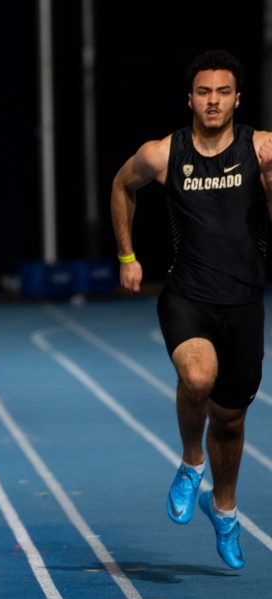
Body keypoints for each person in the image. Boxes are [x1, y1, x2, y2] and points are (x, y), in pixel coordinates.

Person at [110, 49, 272, 570]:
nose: (213, 101)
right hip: (187, 295)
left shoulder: (264, 149)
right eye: (204, 91)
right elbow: (120, 186)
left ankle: (223, 509)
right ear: (190, 98)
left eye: (223, 92)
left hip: (244, 301)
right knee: (198, 379)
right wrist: (127, 255)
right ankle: (189, 462)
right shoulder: (163, 153)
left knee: (230, 420)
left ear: (237, 99)